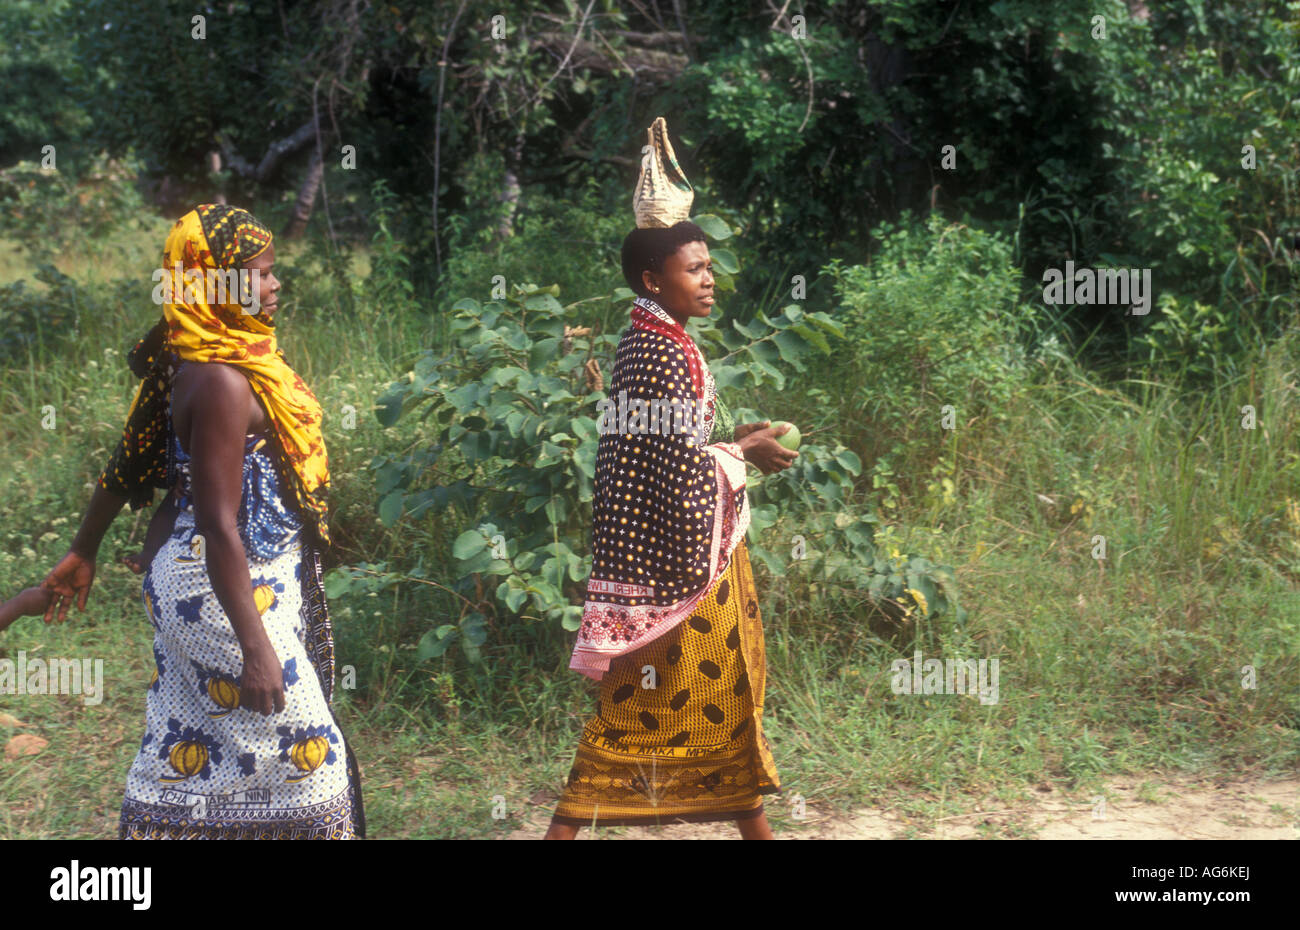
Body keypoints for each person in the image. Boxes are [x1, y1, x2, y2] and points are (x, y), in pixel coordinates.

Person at [41, 204, 363, 839]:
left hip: (224, 582)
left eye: (274, 273)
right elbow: (218, 522)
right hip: (226, 592)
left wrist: (84, 550)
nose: (275, 287)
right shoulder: (219, 379)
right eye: (261, 275)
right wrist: (256, 649)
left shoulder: (202, 351)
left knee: (188, 749)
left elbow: (129, 461)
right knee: (312, 768)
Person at [545, 119, 797, 839]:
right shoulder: (658, 350)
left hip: (678, 564)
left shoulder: (660, 339)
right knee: (644, 713)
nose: (709, 278)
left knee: (716, 695)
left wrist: (735, 441)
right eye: (695, 269)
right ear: (654, 278)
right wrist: (742, 456)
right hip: (673, 572)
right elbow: (668, 472)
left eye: (710, 266)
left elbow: (671, 451)